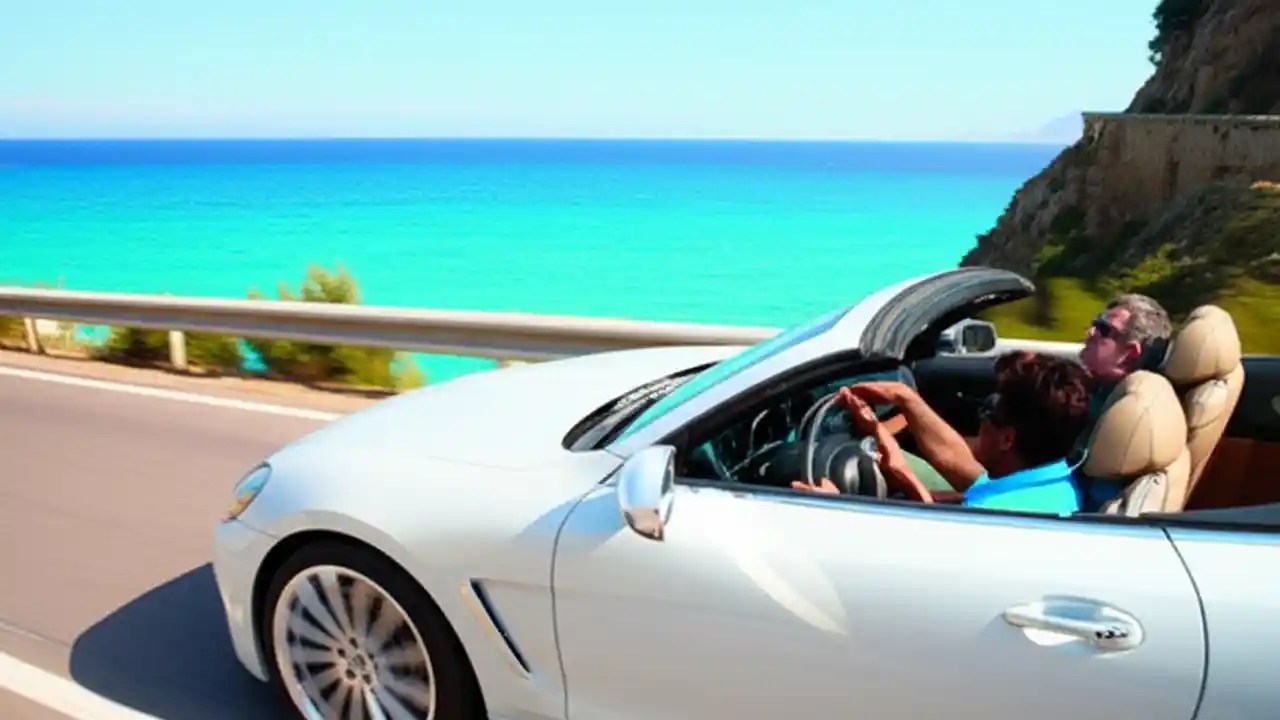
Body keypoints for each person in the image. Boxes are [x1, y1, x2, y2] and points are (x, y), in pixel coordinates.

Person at [792, 351, 1093, 515]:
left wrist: (837, 511)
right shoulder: (1050, 483)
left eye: (988, 412)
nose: (981, 421)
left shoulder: (993, 519)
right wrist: (903, 400)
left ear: (1007, 439)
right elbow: (963, 468)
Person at [1078, 293, 1173, 416]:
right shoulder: (1092, 391)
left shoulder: (1113, 411)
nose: (1090, 333)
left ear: (1131, 351)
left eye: (1103, 329)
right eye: (1094, 326)